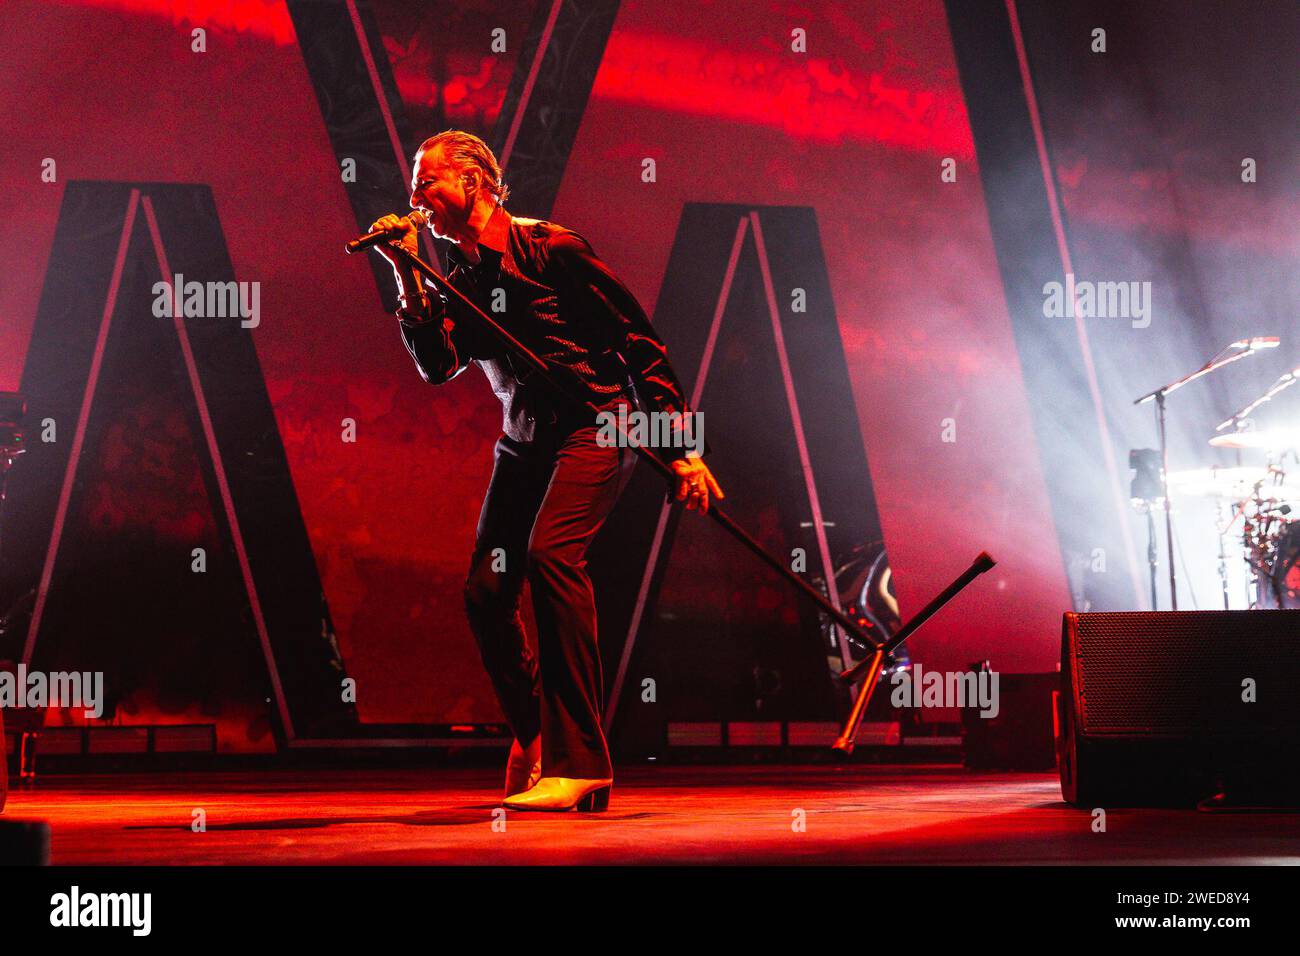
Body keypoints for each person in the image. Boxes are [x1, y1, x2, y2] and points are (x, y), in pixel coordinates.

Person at [371, 130, 723, 811]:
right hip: (525, 439)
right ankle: (536, 739)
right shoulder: (459, 272)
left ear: (473, 183)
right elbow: (439, 365)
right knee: (485, 591)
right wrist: (406, 270)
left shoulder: (552, 249)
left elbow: (638, 341)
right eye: (412, 186)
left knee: (550, 557)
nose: (415, 198)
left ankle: (581, 761)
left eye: (427, 182)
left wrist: (680, 446)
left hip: (597, 423)